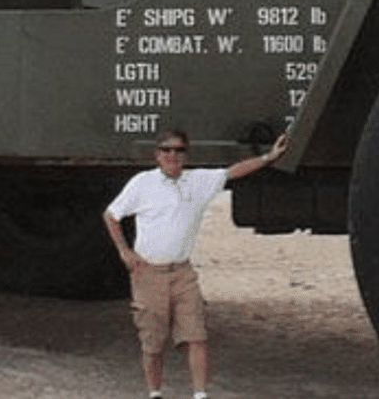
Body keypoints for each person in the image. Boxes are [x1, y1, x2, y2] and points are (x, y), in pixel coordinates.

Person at [103, 128, 290, 399]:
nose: (172, 155)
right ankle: (155, 393)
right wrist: (124, 251)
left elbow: (233, 172)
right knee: (153, 342)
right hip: (148, 273)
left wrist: (269, 157)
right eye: (166, 149)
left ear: (185, 154)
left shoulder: (198, 181)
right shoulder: (141, 183)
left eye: (179, 150)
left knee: (196, 336)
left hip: (182, 272)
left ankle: (200, 394)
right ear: (157, 154)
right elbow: (111, 215)